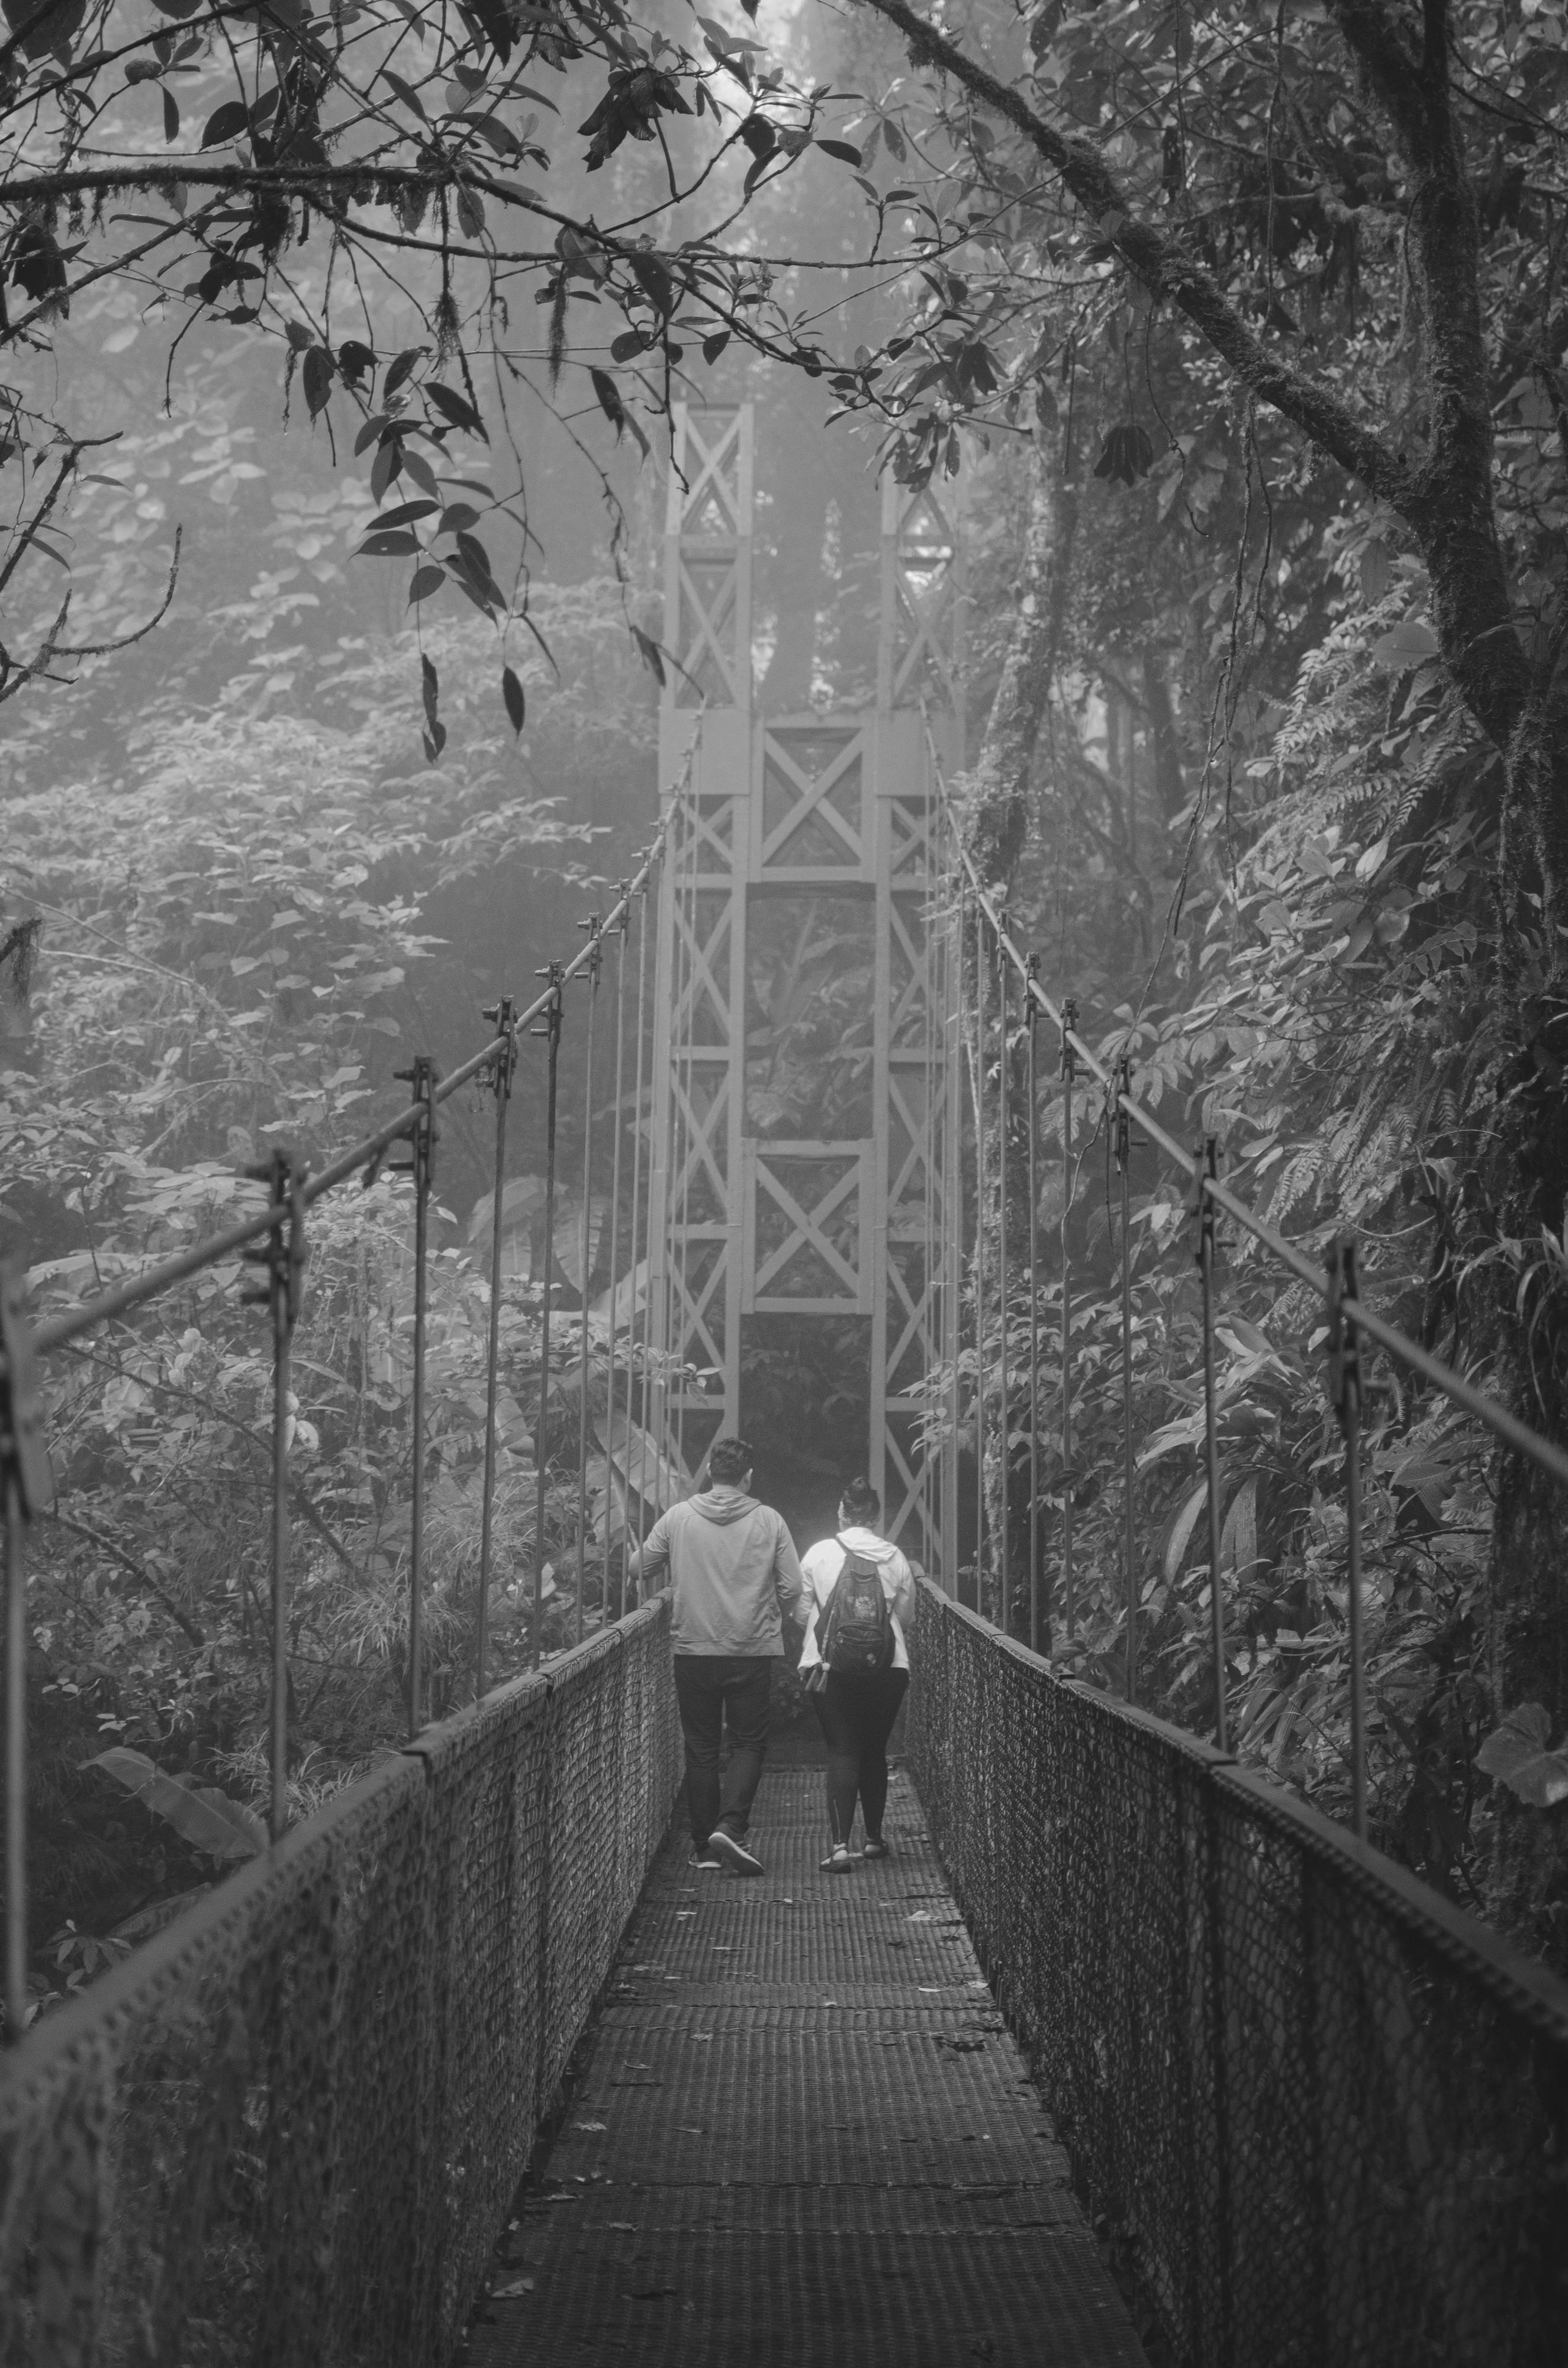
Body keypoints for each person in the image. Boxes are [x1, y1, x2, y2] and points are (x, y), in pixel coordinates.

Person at [627, 1434, 804, 1877]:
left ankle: (704, 1849)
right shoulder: (770, 1520)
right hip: (751, 1649)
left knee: (702, 1747)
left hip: (693, 1649)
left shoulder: (678, 1518)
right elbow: (793, 1588)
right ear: (747, 1477)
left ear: (709, 1472)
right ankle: (732, 1826)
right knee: (747, 1744)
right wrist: (765, 1610)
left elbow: (638, 1568)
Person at [799, 1478, 916, 1873]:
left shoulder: (817, 1554)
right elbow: (904, 1617)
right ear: (877, 1515)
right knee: (873, 1749)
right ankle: (873, 1839)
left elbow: (800, 1612)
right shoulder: (895, 1557)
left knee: (842, 1748)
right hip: (887, 1667)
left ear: (841, 1510)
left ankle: (837, 1847)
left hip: (828, 1666)